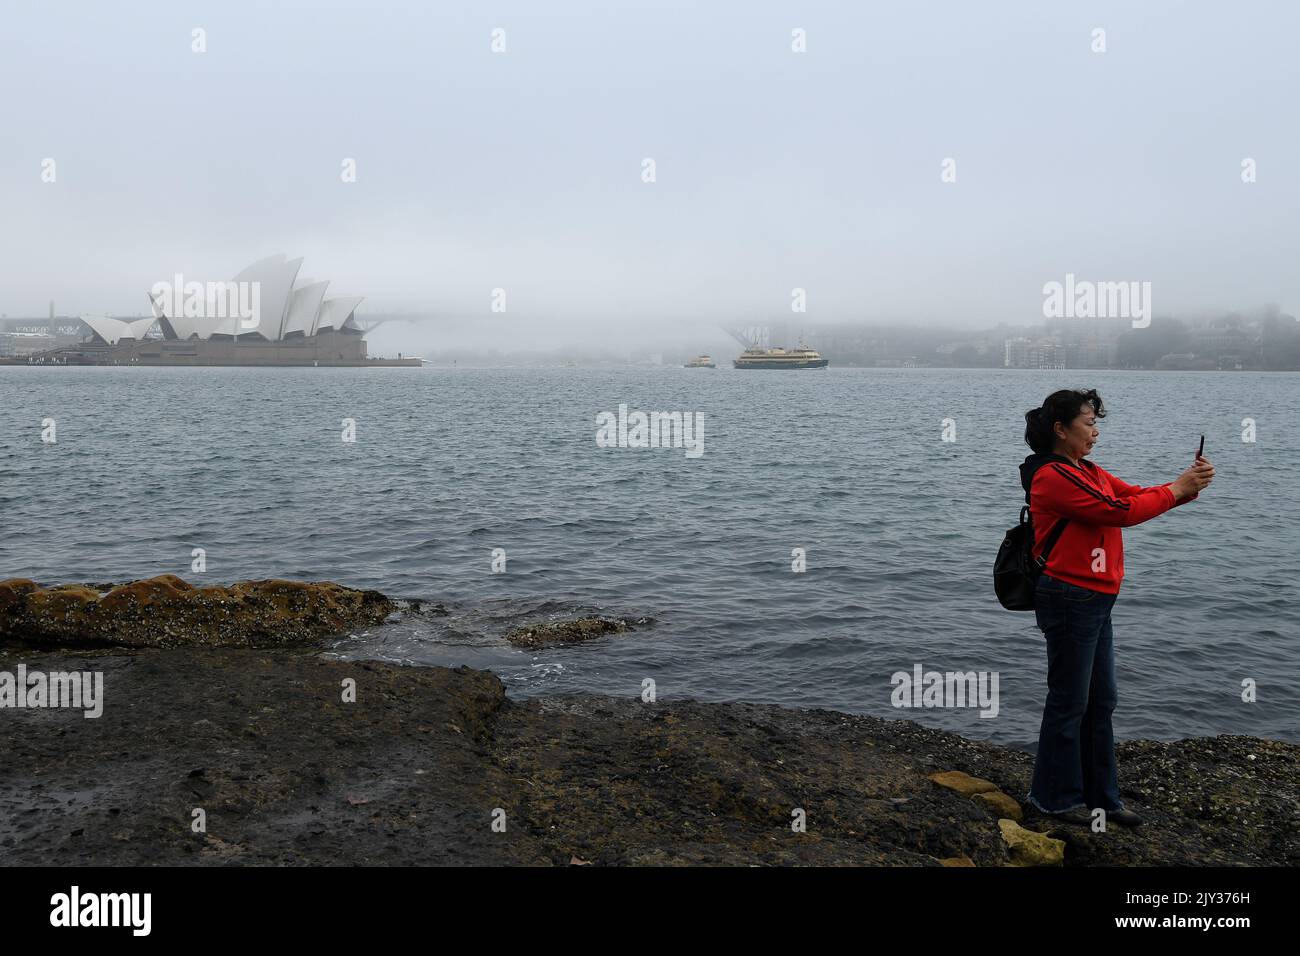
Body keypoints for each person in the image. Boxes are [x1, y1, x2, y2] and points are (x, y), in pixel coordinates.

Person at [1019, 389, 1214, 828]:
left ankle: (1101, 798)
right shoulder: (1051, 476)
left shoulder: (1085, 469)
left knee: (1100, 701)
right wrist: (1177, 490)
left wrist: (1184, 487)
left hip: (1096, 597)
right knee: (1069, 702)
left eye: (1095, 422)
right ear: (1060, 429)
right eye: (1088, 423)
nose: (1095, 431)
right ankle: (1051, 798)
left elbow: (1136, 495)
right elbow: (1119, 511)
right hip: (1070, 596)